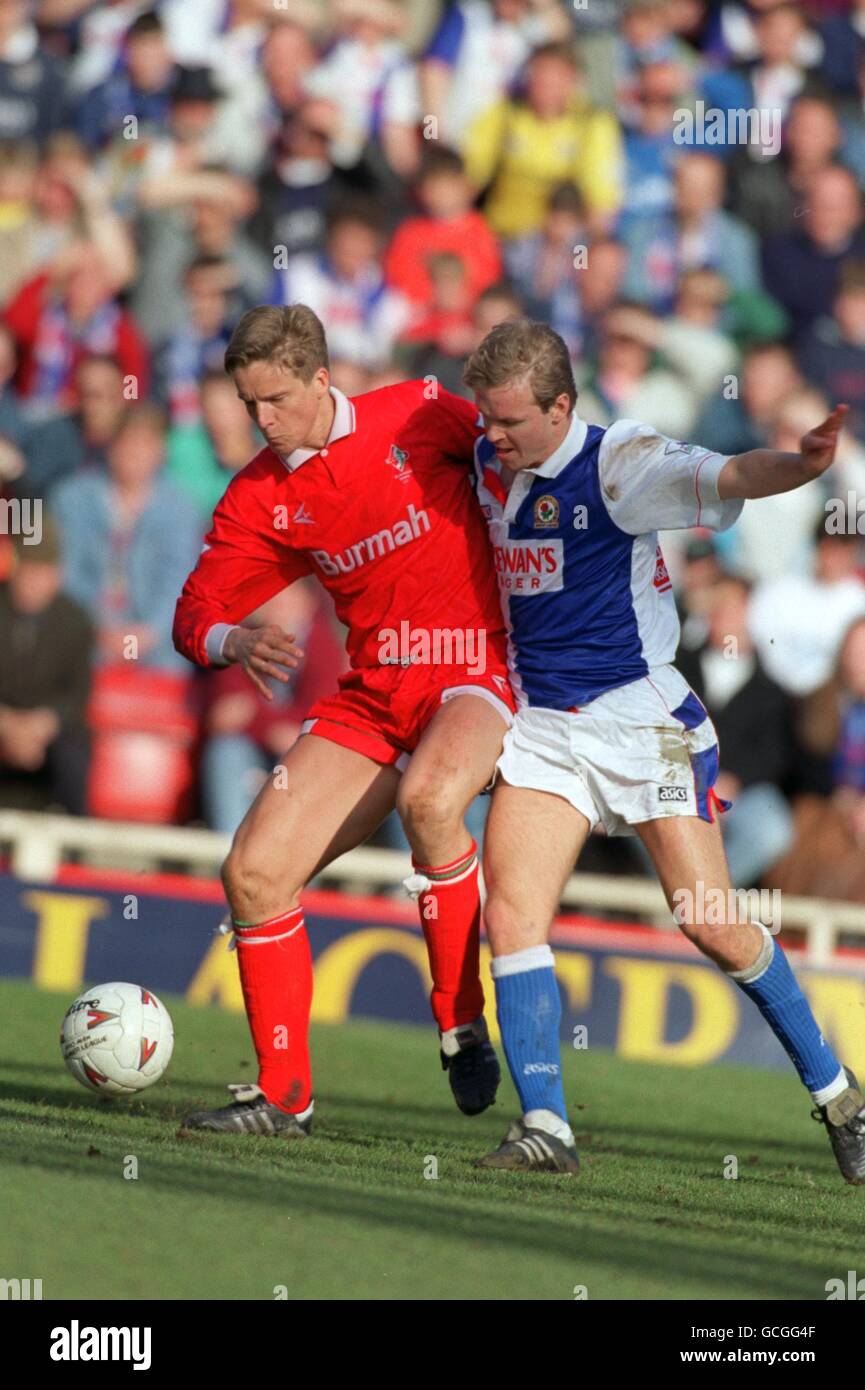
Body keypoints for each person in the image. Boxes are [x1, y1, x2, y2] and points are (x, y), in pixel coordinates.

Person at [461, 318, 865, 1183]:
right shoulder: (483, 452)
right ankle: (544, 1127)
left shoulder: (620, 463)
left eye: (508, 423)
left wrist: (798, 465)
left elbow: (728, 473)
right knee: (512, 916)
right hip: (543, 725)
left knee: (708, 921)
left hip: (639, 722)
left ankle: (836, 1092)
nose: (491, 437)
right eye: (483, 419)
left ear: (561, 405)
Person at [172, 303, 516, 1137]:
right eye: (250, 404)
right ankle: (284, 1099)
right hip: (373, 696)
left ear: (324, 379)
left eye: (278, 399)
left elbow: (521, 447)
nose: (264, 421)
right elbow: (192, 612)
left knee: (431, 802)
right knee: (252, 874)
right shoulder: (260, 493)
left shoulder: (420, 410)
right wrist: (231, 639)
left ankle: (460, 1018)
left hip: (473, 671)